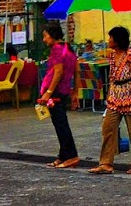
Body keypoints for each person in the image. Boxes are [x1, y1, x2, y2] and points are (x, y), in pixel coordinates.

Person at [91, 26, 131, 175]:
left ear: (117, 40)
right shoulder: (111, 56)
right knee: (108, 128)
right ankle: (105, 163)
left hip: (130, 94)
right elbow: (112, 78)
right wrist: (109, 97)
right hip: (115, 95)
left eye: (111, 37)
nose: (108, 40)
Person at [36, 21, 79, 168]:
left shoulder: (56, 50)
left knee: (61, 125)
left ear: (53, 36)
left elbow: (58, 72)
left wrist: (48, 93)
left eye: (45, 36)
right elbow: (76, 70)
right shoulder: (69, 48)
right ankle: (63, 155)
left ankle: (71, 155)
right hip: (65, 89)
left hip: (56, 91)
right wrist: (76, 91)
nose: (44, 39)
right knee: (60, 123)